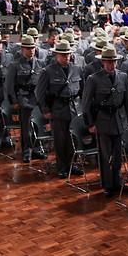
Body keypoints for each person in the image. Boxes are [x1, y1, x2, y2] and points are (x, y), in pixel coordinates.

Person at [81, 46, 128, 197]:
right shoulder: (93, 79)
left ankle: (117, 180)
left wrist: (127, 120)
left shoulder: (122, 76)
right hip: (102, 120)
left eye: (113, 61)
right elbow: (86, 104)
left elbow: (126, 101)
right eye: (108, 62)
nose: (111, 65)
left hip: (118, 120)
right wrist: (90, 124)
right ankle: (107, 184)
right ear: (103, 62)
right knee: (104, 154)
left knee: (117, 154)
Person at [35, 39, 83, 178]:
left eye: (68, 54)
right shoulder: (48, 71)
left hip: (74, 109)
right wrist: (45, 110)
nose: (66, 57)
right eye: (63, 54)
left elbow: (82, 90)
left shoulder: (76, 69)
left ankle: (72, 164)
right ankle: (62, 167)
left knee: (73, 139)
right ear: (56, 55)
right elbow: (40, 93)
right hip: (57, 109)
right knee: (60, 140)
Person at [5, 35, 44, 162]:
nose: (31, 50)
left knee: (38, 126)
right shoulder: (15, 65)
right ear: (22, 49)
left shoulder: (39, 63)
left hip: (37, 98)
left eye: (33, 47)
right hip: (24, 98)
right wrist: (14, 102)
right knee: (26, 127)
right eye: (28, 48)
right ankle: (26, 151)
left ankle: (37, 149)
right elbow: (10, 86)